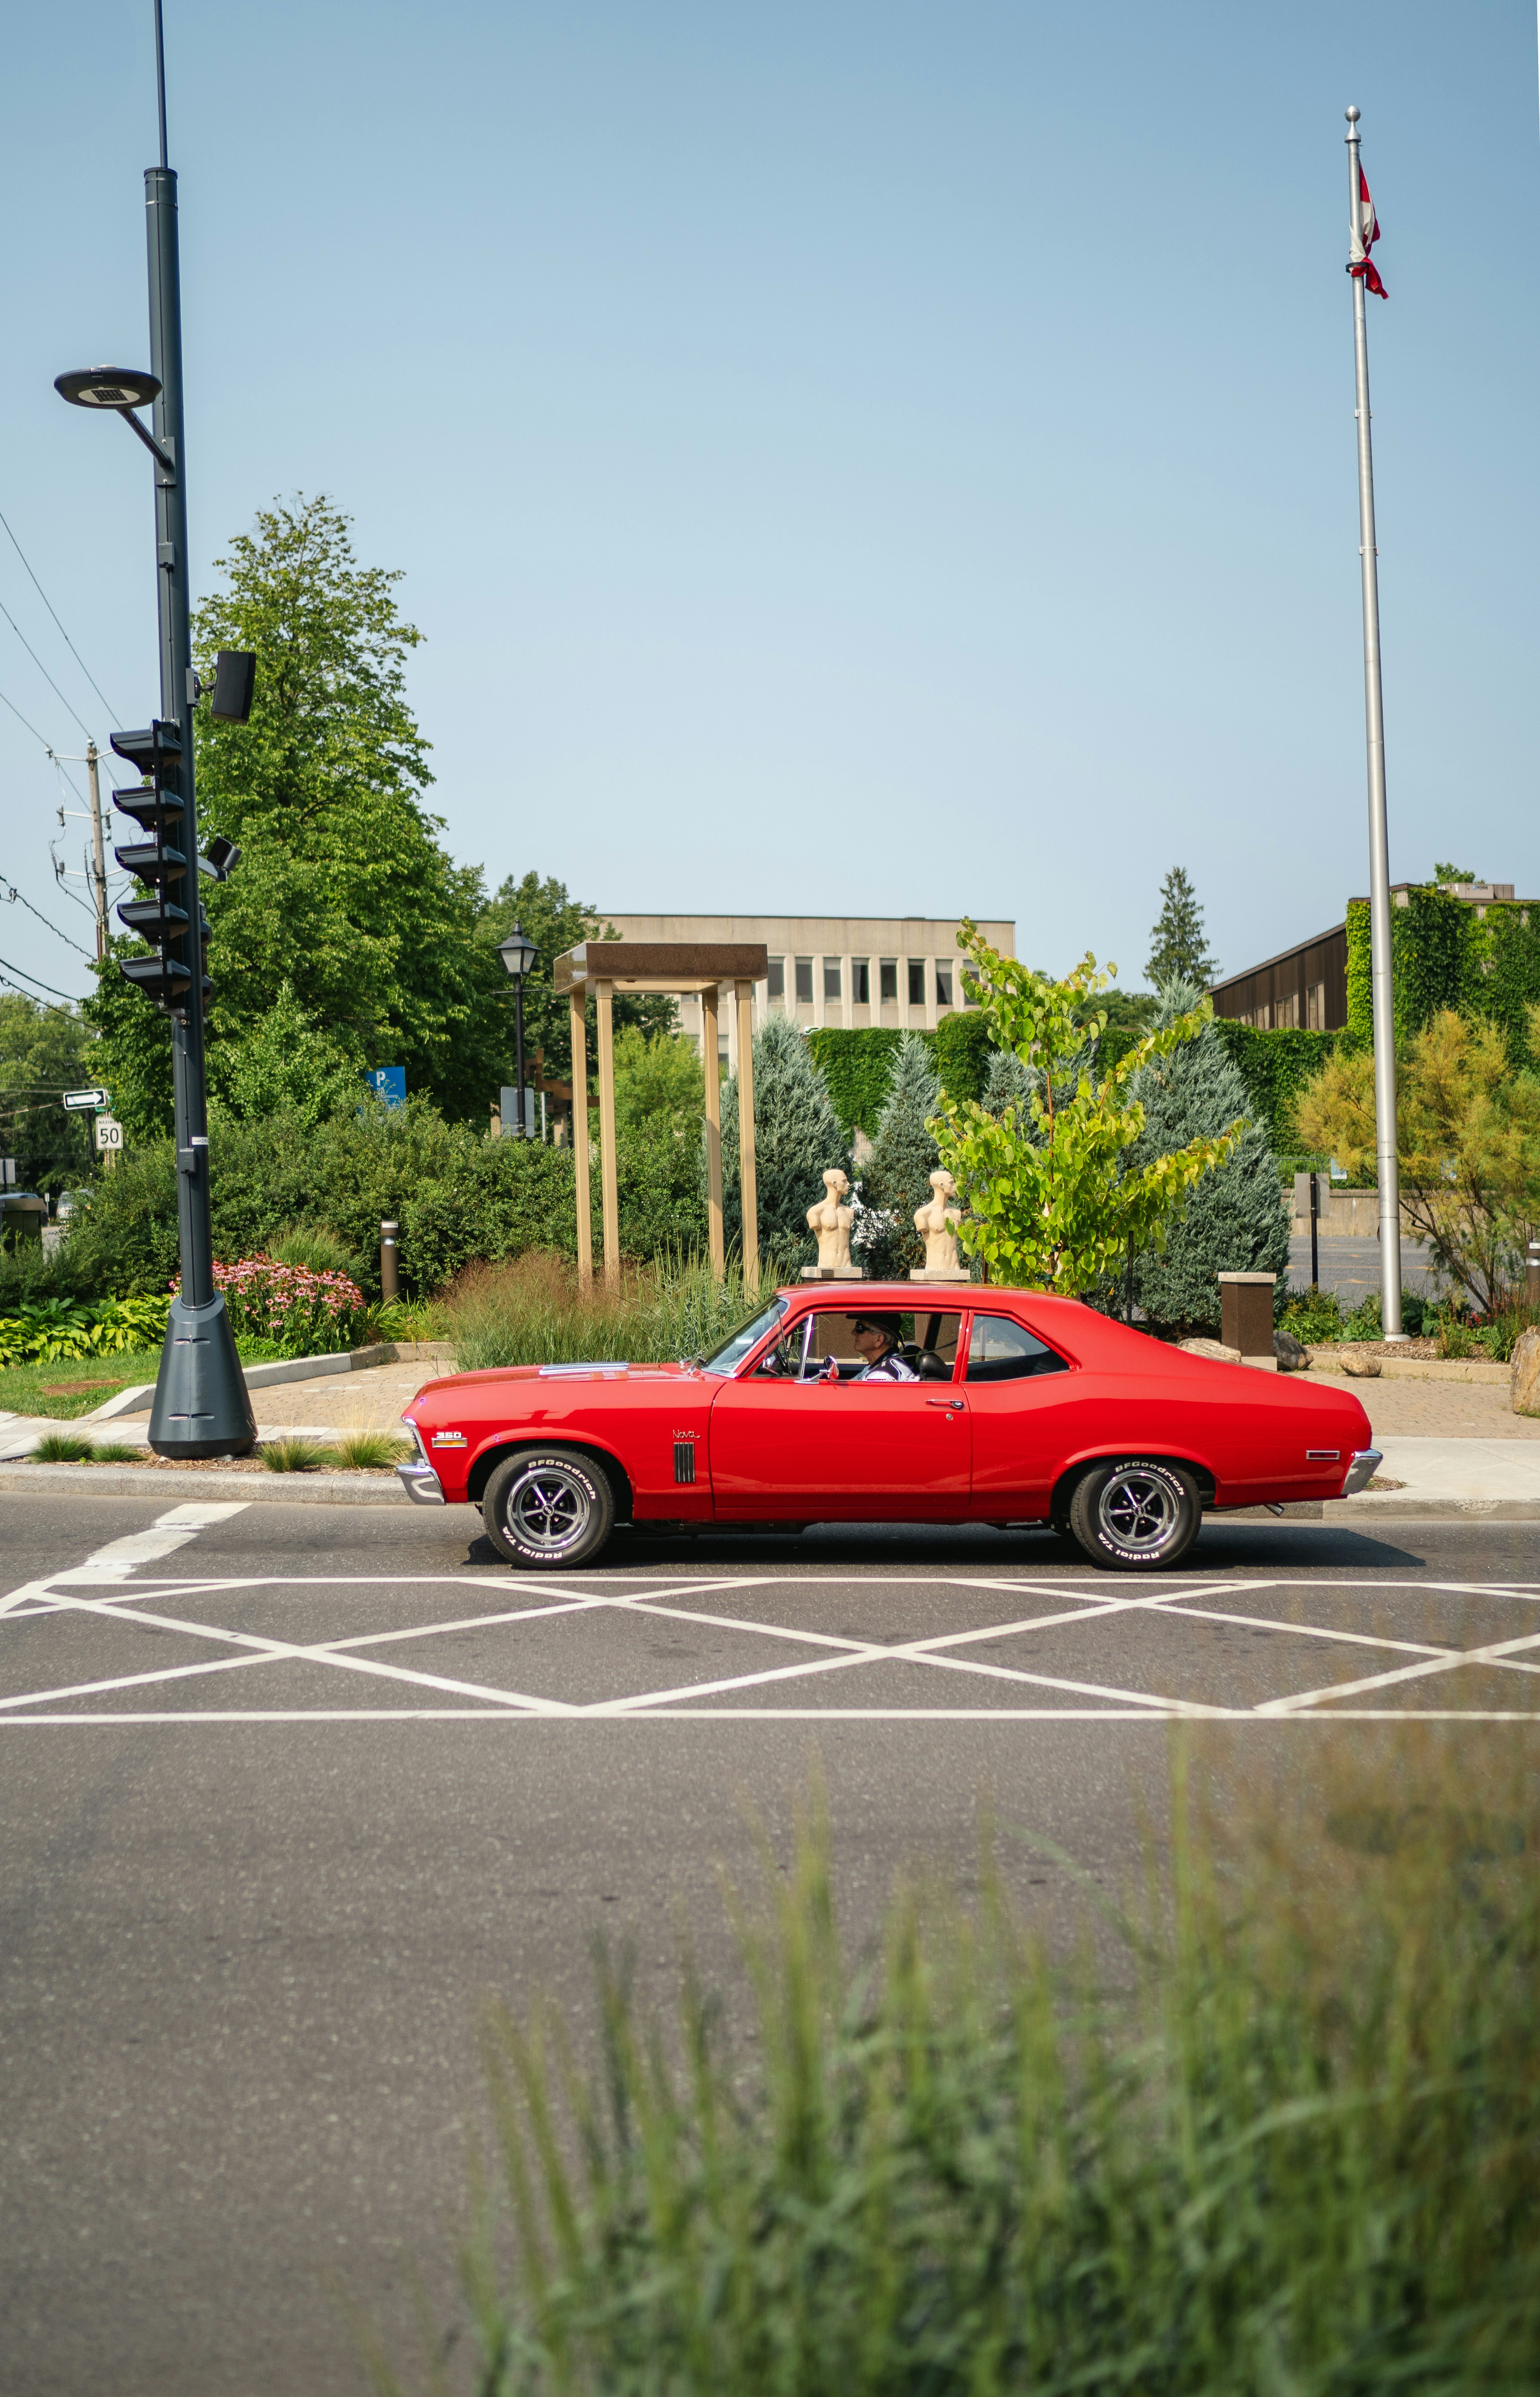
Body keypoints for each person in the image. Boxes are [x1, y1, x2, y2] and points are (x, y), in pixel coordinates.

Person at [822, 1313, 919, 1382]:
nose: (853, 1332)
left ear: (878, 1340)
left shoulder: (882, 1377)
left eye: (859, 1328)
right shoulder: (878, 1365)